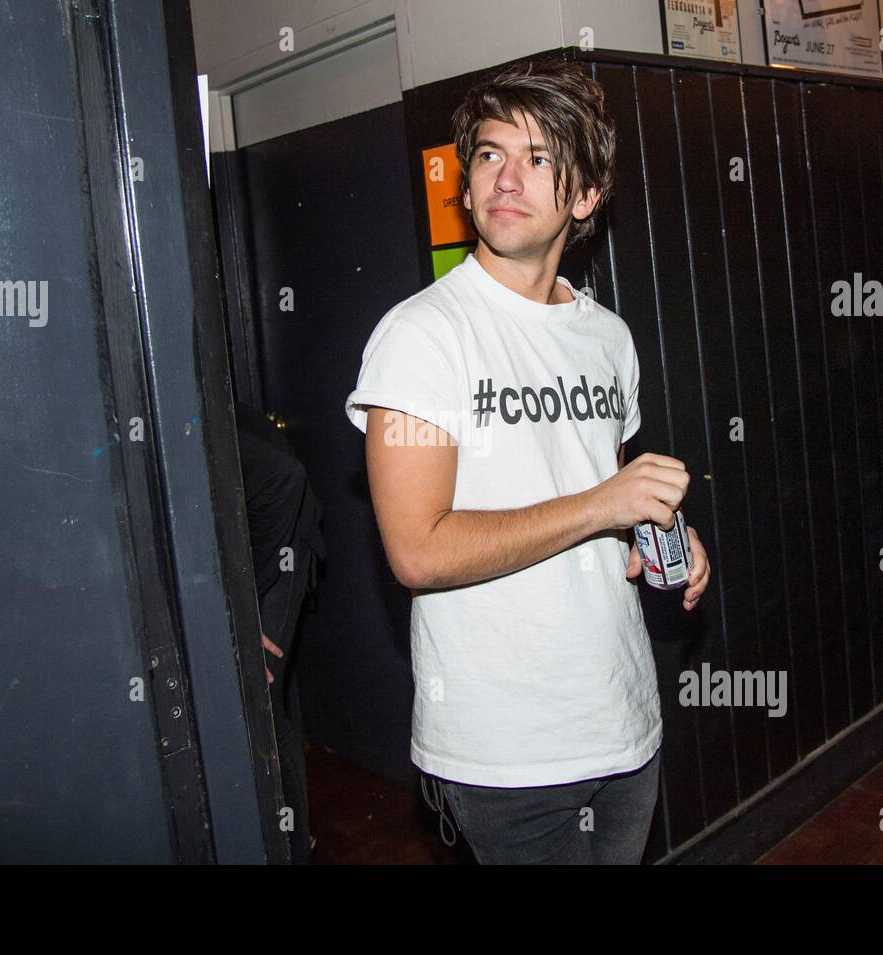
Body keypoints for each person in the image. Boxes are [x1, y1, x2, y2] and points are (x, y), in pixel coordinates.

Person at [343, 59, 711, 864]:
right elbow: (416, 549)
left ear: (583, 198)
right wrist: (604, 504)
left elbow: (590, 479)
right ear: (465, 187)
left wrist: (659, 530)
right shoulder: (423, 336)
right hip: (507, 752)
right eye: (488, 155)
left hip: (622, 719)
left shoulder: (606, 336)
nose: (507, 177)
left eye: (539, 158)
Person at [234, 399, 325, 864]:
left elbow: (282, 478)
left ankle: (292, 848)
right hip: (258, 543)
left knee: (260, 699)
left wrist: (239, 606)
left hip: (277, 551)